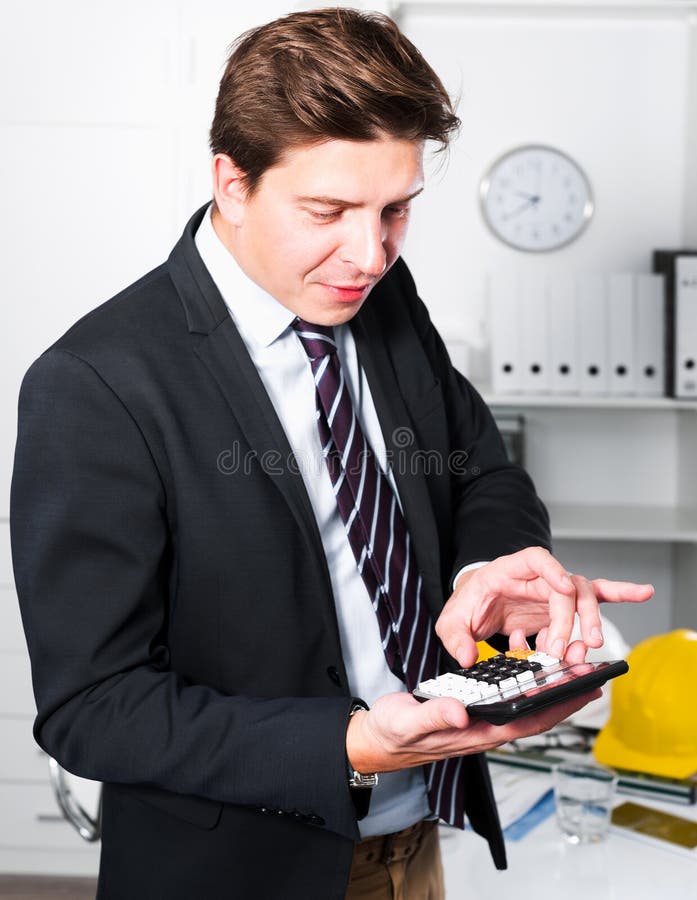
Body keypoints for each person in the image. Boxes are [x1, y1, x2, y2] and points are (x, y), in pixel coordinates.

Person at [10, 9, 652, 899]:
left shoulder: (381, 296)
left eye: (396, 209)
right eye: (328, 210)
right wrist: (348, 743)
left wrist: (492, 563)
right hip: (238, 875)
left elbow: (477, 469)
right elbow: (93, 708)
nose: (370, 252)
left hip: (422, 842)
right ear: (231, 182)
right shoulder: (95, 383)